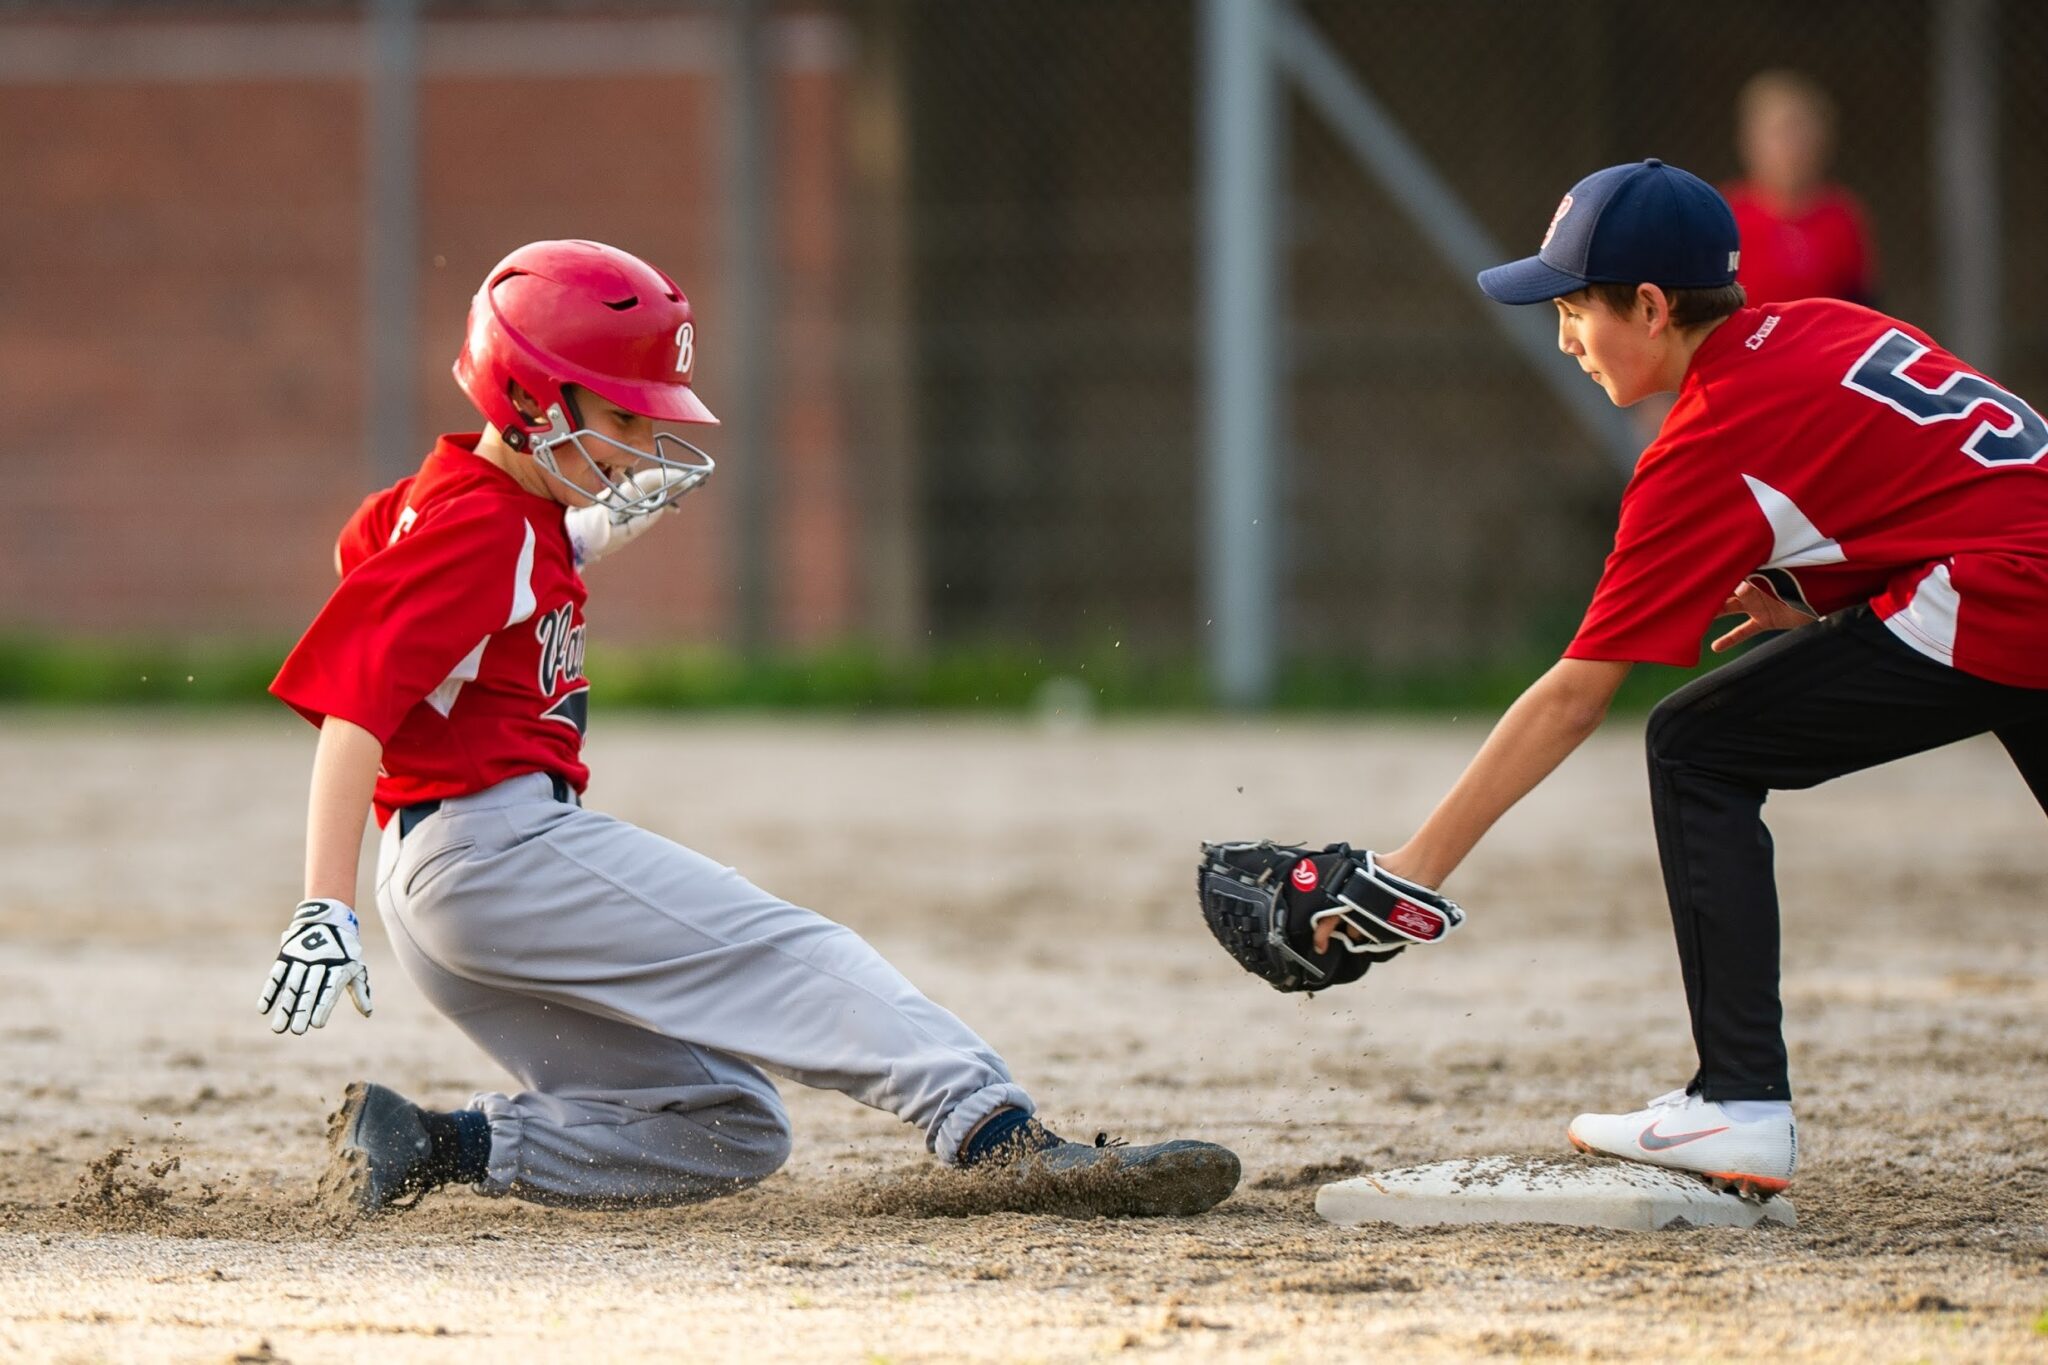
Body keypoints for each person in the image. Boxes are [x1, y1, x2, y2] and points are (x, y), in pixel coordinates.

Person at [259, 239, 1240, 1217]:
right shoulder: (478, 530)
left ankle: (432, 1142)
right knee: (789, 955)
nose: (638, 442)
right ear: (527, 400)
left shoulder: (462, 508)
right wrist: (322, 906)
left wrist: (584, 530)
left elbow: (453, 577)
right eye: (617, 416)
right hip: (499, 854)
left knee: (727, 1125)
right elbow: (357, 709)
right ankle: (1000, 1136)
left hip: (446, 890)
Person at [1322, 160, 2047, 1197]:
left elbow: (1576, 696)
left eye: (1573, 306)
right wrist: (1828, 604)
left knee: (1693, 748)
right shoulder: (1821, 324)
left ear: (1651, 307)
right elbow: (1948, 482)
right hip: (2018, 574)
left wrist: (1410, 869)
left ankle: (1737, 1104)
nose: (1564, 337)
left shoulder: (1708, 433)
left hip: (2005, 591)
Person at [1724, 70, 1877, 307]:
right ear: (1749, 140)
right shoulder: (1724, 216)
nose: (1791, 147)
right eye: (1778, 133)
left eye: (1801, 133)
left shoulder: (1841, 217)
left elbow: (1864, 308)